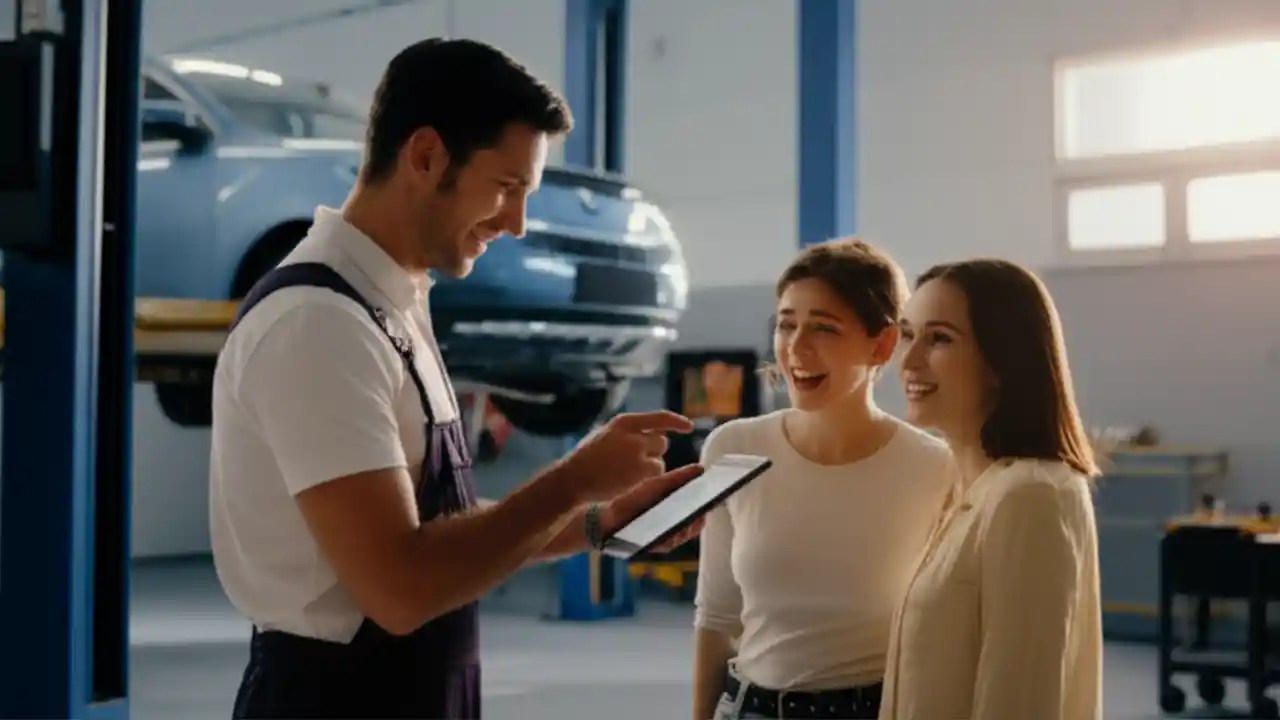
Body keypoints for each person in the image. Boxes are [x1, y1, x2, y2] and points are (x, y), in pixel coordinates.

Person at [209, 38, 702, 720]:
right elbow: (401, 586)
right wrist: (572, 480)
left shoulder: (392, 306)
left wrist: (597, 521)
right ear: (425, 156)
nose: (517, 224)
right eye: (506, 188)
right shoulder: (318, 324)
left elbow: (442, 530)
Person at [692, 238, 955, 720]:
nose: (796, 348)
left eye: (824, 328)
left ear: (882, 344)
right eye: (786, 324)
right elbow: (717, 615)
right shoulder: (733, 448)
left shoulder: (936, 467)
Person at [878, 259, 1103, 720]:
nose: (909, 360)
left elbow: (1021, 700)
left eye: (939, 339)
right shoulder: (964, 488)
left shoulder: (1030, 495)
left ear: (1002, 360)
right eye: (908, 335)